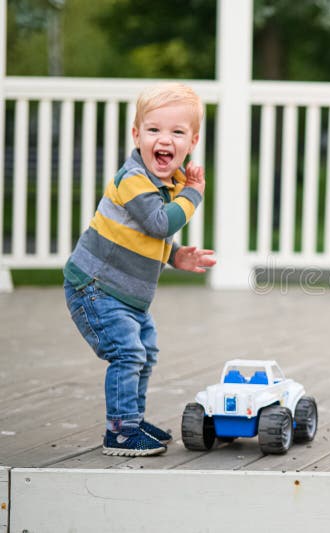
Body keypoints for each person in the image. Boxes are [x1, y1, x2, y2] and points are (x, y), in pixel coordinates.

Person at [63, 82, 216, 457]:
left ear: (191, 141)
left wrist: (178, 257)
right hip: (95, 287)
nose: (164, 139)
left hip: (126, 294)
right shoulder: (133, 179)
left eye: (176, 132)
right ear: (137, 134)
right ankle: (120, 430)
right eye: (154, 130)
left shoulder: (166, 182)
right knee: (127, 353)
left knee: (146, 350)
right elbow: (158, 223)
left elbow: (145, 238)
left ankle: (131, 417)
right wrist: (194, 193)